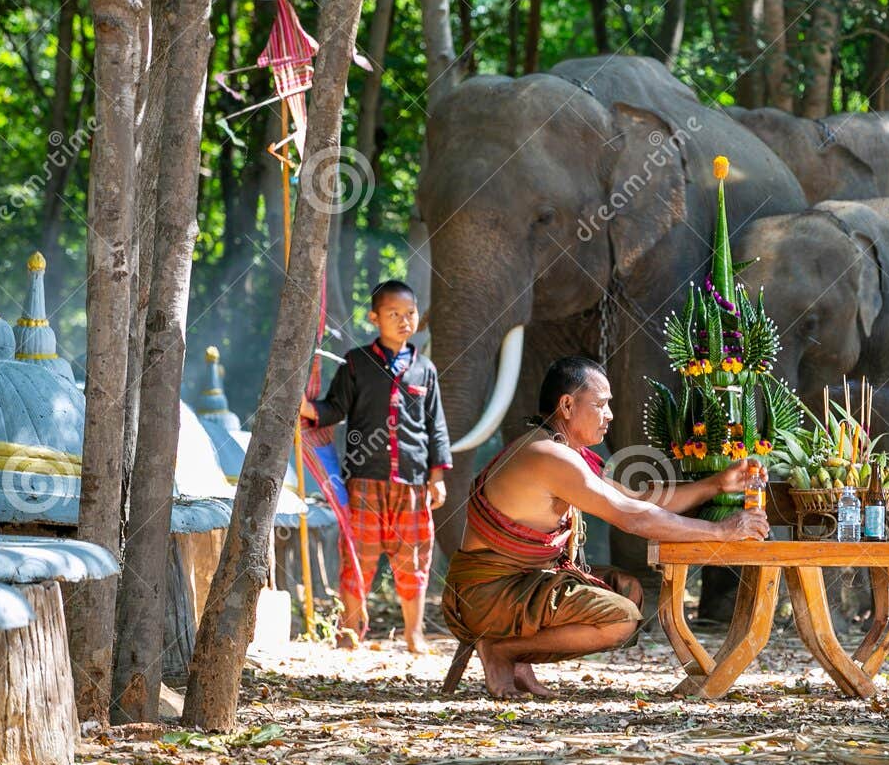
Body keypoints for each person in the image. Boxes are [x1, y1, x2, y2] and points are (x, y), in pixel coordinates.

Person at [441, 356, 768, 699]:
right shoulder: (550, 456)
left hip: (517, 587)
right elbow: (633, 517)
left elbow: (638, 500)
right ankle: (502, 650)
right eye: (600, 404)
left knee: (628, 589)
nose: (609, 415)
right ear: (567, 405)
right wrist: (720, 531)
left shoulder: (562, 450)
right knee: (620, 619)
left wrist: (716, 484)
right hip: (487, 598)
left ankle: (513, 651)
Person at [302, 279, 451, 653]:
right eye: (393, 314)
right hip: (365, 479)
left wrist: (437, 478)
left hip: (413, 483)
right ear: (374, 318)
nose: (404, 321)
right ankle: (349, 636)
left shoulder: (425, 370)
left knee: (413, 558)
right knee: (359, 556)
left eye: (410, 313)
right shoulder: (357, 363)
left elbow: (437, 427)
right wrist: (306, 409)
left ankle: (414, 635)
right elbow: (334, 409)